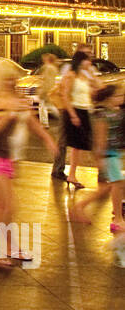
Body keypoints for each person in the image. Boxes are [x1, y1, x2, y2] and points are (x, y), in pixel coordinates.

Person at [0, 58, 56, 269]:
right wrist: (9, 112)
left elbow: (29, 119)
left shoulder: (14, 97)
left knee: (2, 205)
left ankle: (4, 247)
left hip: (6, 156)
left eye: (15, 80)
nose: (13, 84)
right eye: (9, 79)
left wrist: (47, 139)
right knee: (5, 205)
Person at [71, 83, 125, 234]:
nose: (121, 98)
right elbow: (100, 138)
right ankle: (118, 220)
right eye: (118, 95)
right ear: (109, 98)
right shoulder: (103, 114)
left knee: (106, 189)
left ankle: (80, 206)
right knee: (117, 184)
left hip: (113, 153)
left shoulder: (115, 111)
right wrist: (99, 157)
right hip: (108, 155)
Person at [61, 50, 98, 190]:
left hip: (85, 110)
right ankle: (74, 174)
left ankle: (72, 174)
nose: (89, 62)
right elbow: (65, 96)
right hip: (75, 111)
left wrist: (93, 76)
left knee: (80, 146)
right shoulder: (71, 75)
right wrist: (72, 115)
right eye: (87, 59)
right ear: (80, 61)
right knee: (81, 145)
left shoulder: (84, 75)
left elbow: (95, 90)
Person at [36, 51, 60, 129]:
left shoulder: (47, 67)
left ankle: (44, 123)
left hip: (45, 89)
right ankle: (46, 122)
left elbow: (45, 80)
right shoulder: (54, 67)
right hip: (51, 89)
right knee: (48, 105)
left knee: (43, 106)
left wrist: (42, 90)